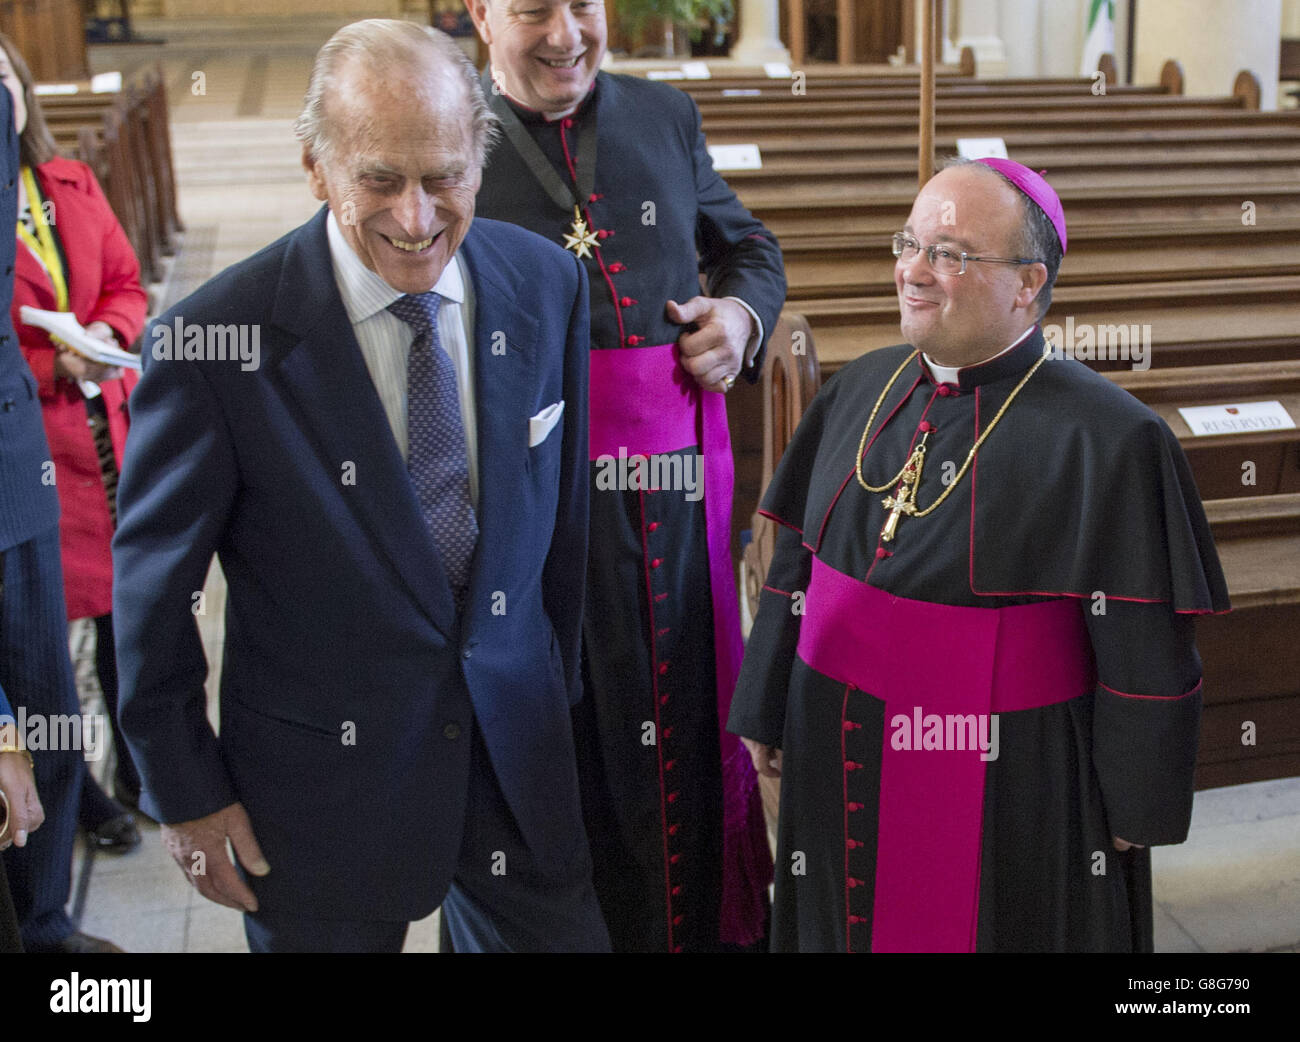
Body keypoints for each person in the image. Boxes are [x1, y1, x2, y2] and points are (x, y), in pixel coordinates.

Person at [112, 20, 608, 953]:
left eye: (443, 178)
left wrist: (552, 697)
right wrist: (189, 795)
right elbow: (153, 599)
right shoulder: (216, 343)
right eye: (380, 180)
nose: (416, 219)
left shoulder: (546, 285)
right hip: (319, 793)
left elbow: (563, 536)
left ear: (479, 158)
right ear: (316, 167)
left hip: (516, 760)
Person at [728, 157, 1229, 952]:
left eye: (949, 254)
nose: (912, 271)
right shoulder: (859, 387)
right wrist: (764, 706)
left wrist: (1135, 806)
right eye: (910, 243)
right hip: (837, 741)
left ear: (1028, 282)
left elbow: (1144, 644)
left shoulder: (1111, 439)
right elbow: (794, 565)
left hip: (1009, 773)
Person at [465, 0, 783, 953]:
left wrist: (738, 321)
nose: (566, 33)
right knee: (564, 742)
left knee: (683, 727)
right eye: (532, 11)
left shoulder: (664, 113)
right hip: (532, 513)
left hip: (679, 503)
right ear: (481, 14)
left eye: (585, 5)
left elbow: (750, 250)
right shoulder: (449, 135)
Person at [3, 32, 147, 852]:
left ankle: (139, 766)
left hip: (109, 432)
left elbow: (126, 281)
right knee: (45, 641)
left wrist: (103, 330)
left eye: (2, 77)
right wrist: (51, 358)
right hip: (34, 456)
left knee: (129, 613)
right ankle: (80, 793)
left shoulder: (68, 181)